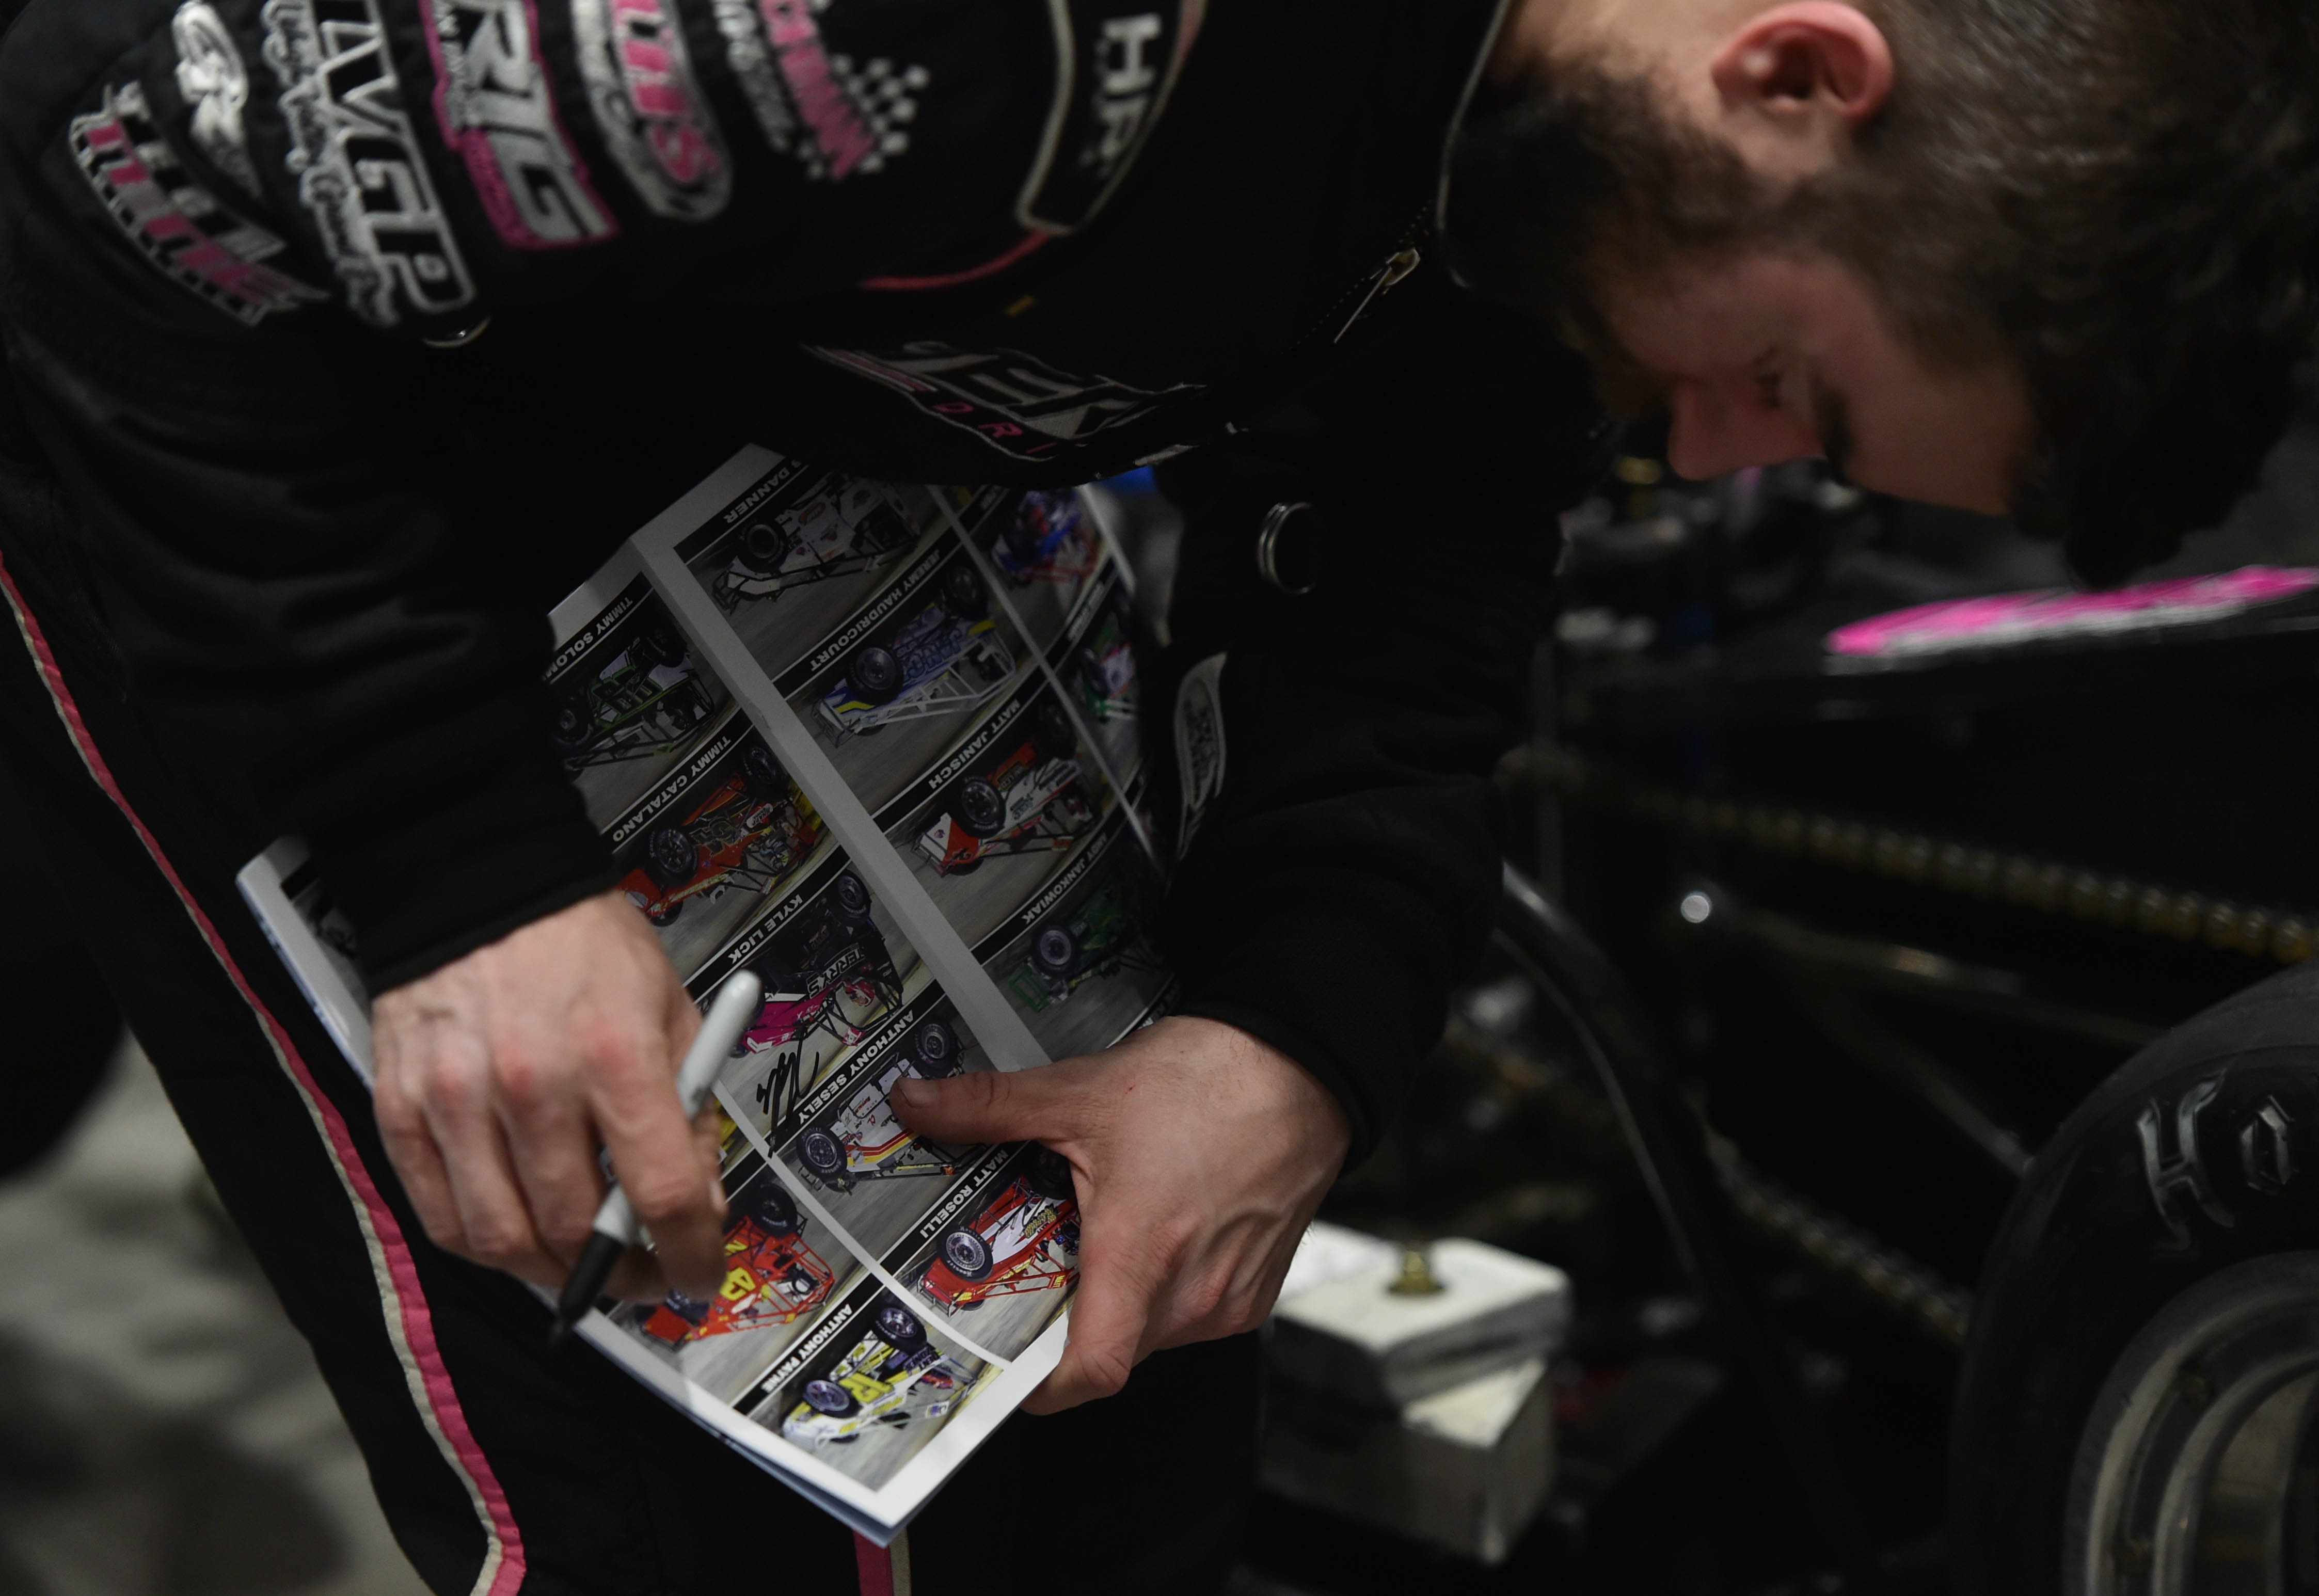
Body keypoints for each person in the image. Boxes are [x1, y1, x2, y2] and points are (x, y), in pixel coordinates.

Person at [0, 0, 2312, 1587]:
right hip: (235, 384)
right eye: (1787, 380)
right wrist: (461, 869)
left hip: (759, 372)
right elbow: (116, 180)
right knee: (693, 1508)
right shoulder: (1013, 39)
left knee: (1087, 1376)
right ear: (1794, 74)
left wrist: (1290, 1032)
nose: (1711, 456)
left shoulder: (1564, 154)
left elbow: (1431, 550)